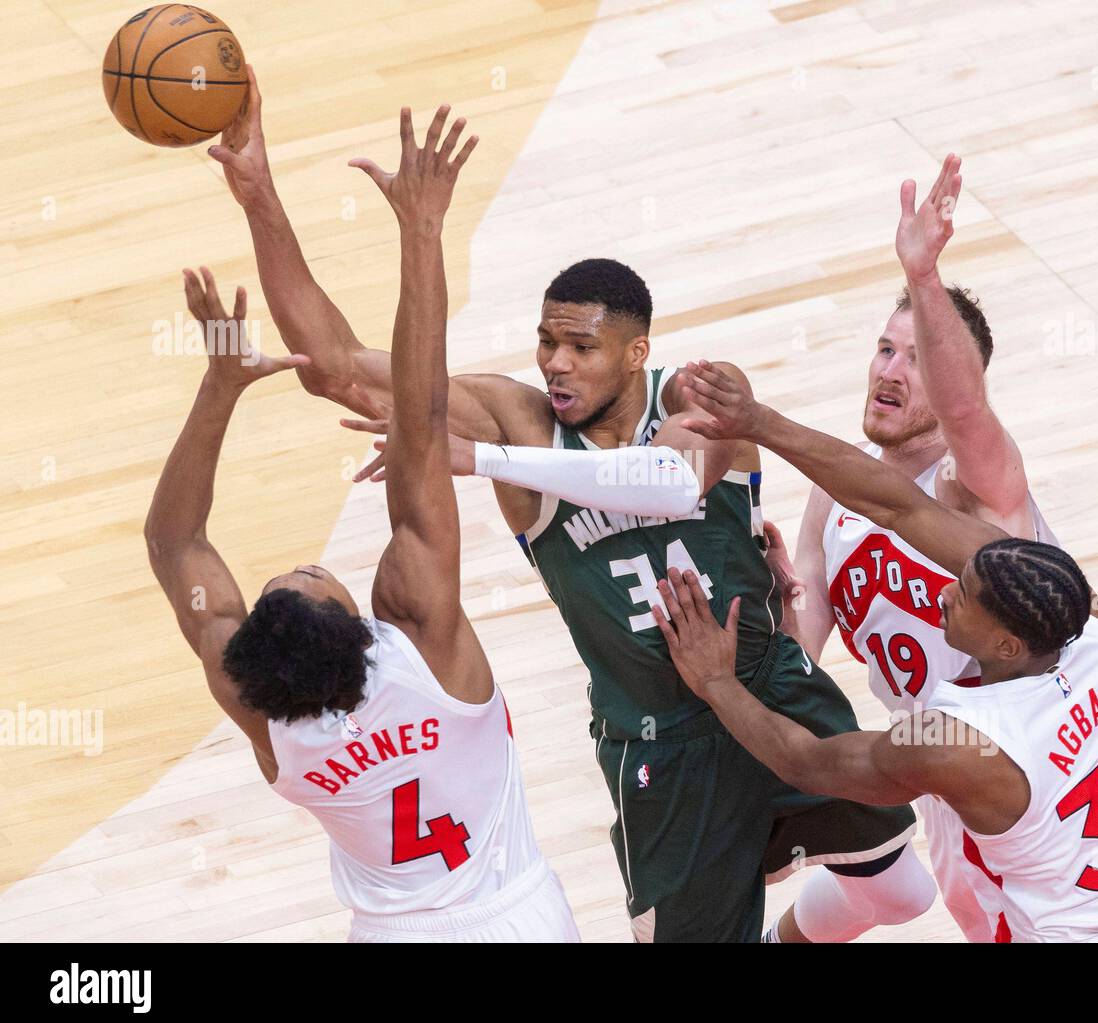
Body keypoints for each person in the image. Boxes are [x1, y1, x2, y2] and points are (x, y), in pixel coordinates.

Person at [204, 70, 927, 943]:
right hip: (659, 737)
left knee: (901, 892)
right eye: (546, 341)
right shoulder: (520, 419)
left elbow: (664, 483)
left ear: (637, 353)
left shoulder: (701, 399)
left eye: (580, 346)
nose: (555, 363)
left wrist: (477, 457)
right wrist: (257, 190)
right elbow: (329, 361)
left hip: (768, 684)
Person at [146, 106, 578, 943]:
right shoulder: (424, 639)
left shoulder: (266, 719)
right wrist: (423, 229)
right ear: (360, 623)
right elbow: (420, 418)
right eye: (311, 572)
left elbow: (175, 544)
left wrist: (219, 388)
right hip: (515, 919)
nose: (305, 562)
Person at [648, 391, 1098, 942]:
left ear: (1009, 645)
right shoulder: (1091, 634)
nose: (944, 595)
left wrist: (717, 681)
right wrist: (763, 424)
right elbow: (900, 506)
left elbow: (808, 763)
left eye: (962, 595)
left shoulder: (960, 743)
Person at [759, 155, 1058, 942]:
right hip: (937, 762)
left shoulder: (977, 483)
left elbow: (968, 412)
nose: (890, 371)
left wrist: (925, 280)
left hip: (1033, 749)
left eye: (917, 357)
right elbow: (802, 659)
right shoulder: (834, 494)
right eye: (885, 350)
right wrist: (776, 597)